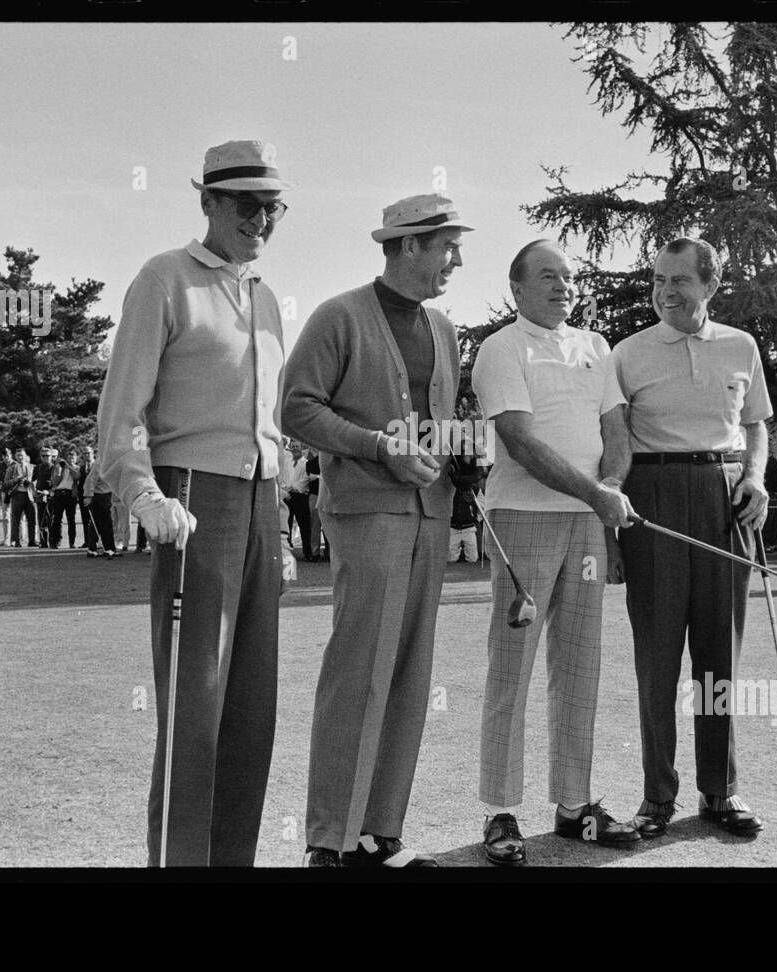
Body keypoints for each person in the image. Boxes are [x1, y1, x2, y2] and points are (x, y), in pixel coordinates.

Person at [96, 139, 294, 867]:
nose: (260, 218)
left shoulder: (266, 295)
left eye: (272, 205)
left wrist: (279, 526)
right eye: (245, 203)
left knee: (251, 716)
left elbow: (267, 424)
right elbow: (122, 410)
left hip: (261, 504)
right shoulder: (164, 280)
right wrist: (141, 491)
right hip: (190, 502)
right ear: (207, 201)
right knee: (194, 713)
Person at [283, 192, 470, 868]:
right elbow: (296, 407)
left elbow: (437, 421)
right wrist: (376, 445)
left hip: (431, 514)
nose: (456, 257)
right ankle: (328, 839)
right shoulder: (338, 317)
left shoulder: (445, 328)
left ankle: (378, 834)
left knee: (410, 675)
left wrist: (462, 451)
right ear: (408, 245)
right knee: (358, 673)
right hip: (368, 515)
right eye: (447, 244)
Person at [470, 239, 638, 866]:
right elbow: (519, 441)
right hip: (523, 518)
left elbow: (615, 430)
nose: (563, 286)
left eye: (568, 277)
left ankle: (574, 805)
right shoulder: (501, 347)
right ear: (517, 289)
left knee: (579, 666)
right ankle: (500, 809)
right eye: (547, 277)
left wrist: (611, 489)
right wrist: (598, 493)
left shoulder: (595, 347)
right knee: (511, 665)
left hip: (588, 523)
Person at [612, 236, 772, 840]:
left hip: (724, 496)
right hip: (651, 500)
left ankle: (720, 792)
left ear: (710, 284)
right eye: (657, 280)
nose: (665, 292)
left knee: (717, 655)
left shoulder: (742, 345)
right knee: (656, 654)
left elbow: (755, 425)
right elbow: (615, 441)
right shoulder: (627, 353)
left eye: (679, 280)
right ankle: (657, 797)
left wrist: (754, 477)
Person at [81, 456, 118, 558]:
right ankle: (106, 549)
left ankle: (97, 548)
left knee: (99, 523)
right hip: (100, 495)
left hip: (106, 495)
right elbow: (90, 479)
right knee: (104, 523)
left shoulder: (112, 460)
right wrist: (88, 495)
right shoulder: (101, 461)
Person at [3, 448, 37, 547]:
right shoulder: (11, 468)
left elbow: (37, 481)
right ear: (15, 457)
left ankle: (32, 540)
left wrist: (30, 483)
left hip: (29, 495)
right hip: (17, 495)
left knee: (32, 519)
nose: (20, 457)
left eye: (22, 455)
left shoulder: (32, 467)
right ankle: (16, 541)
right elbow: (5, 484)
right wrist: (16, 480)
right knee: (15, 519)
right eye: (18, 456)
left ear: (25, 456)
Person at [49, 450, 81, 549]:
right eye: (69, 457)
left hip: (70, 495)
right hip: (59, 494)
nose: (71, 459)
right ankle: (55, 541)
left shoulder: (77, 468)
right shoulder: (59, 467)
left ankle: (72, 542)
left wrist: (68, 466)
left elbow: (77, 476)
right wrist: (59, 470)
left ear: (76, 459)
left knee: (71, 519)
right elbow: (55, 482)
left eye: (73, 457)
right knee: (57, 519)